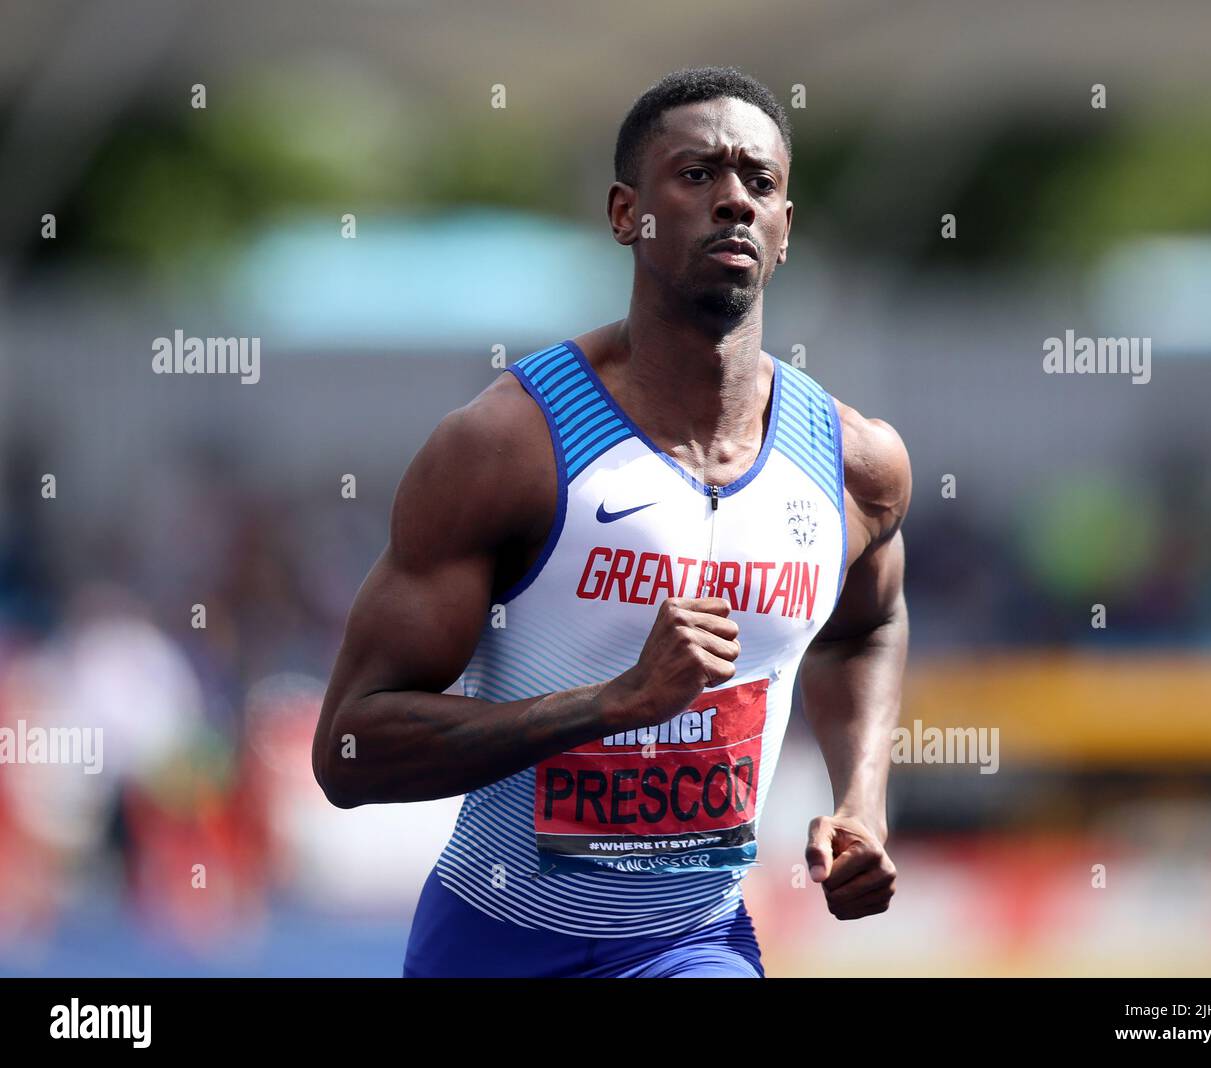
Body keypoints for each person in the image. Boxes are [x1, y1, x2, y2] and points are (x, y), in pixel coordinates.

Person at [313, 65, 912, 978]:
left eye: (761, 183)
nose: (734, 203)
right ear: (626, 212)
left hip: (691, 944)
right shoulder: (507, 447)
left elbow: (864, 630)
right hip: (494, 937)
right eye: (698, 174)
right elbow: (349, 751)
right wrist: (612, 705)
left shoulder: (855, 466)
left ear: (786, 229)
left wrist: (861, 800)